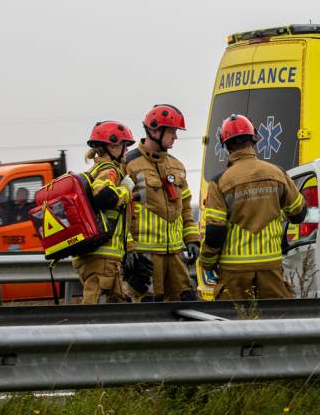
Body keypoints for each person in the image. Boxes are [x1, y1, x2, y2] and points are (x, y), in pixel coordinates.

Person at [200, 114, 306, 300]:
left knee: (233, 322)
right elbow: (299, 213)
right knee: (276, 321)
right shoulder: (277, 173)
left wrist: (207, 262)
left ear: (226, 145)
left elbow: (215, 231)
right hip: (270, 267)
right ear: (253, 139)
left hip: (234, 270)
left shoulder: (219, 182)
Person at [122, 104, 200, 301]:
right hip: (145, 257)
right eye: (172, 131)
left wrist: (192, 240)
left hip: (175, 257)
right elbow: (119, 212)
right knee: (148, 312)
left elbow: (186, 210)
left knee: (186, 304)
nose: (175, 137)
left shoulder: (177, 166)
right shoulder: (129, 165)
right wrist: (128, 249)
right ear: (155, 130)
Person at [72, 121, 136, 304]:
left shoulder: (95, 170)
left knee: (118, 307)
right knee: (95, 312)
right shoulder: (109, 171)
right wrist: (126, 190)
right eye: (125, 145)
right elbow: (103, 196)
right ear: (112, 145)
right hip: (102, 258)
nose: (126, 150)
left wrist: (129, 249)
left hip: (100, 256)